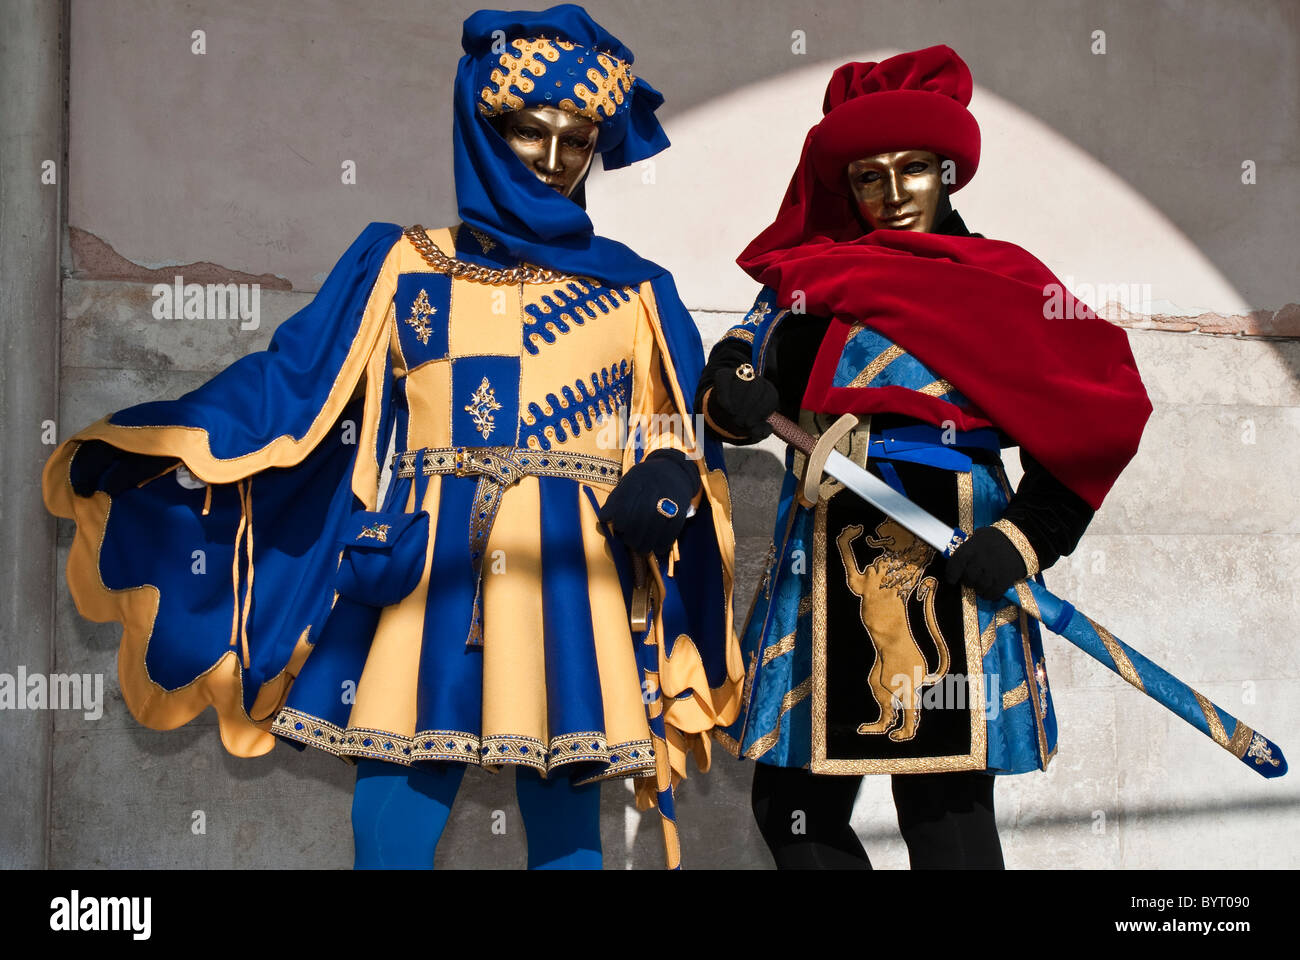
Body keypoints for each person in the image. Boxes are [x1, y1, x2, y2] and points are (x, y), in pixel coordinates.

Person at [43, 3, 741, 871]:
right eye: (531, 131)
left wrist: (669, 474)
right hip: (425, 564)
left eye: (579, 138)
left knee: (565, 826)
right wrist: (168, 434)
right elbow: (292, 384)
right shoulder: (400, 261)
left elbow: (674, 425)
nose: (557, 162)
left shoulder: (641, 288)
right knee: (391, 816)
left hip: (577, 570)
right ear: (484, 128)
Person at [701, 46, 1152, 869]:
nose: (891, 193)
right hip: (824, 551)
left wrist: (1024, 537)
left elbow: (1101, 415)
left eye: (912, 169)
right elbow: (740, 363)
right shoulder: (805, 283)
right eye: (868, 176)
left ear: (949, 173)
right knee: (791, 806)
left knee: (943, 810)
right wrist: (732, 392)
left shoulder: (1008, 282)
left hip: (954, 553)